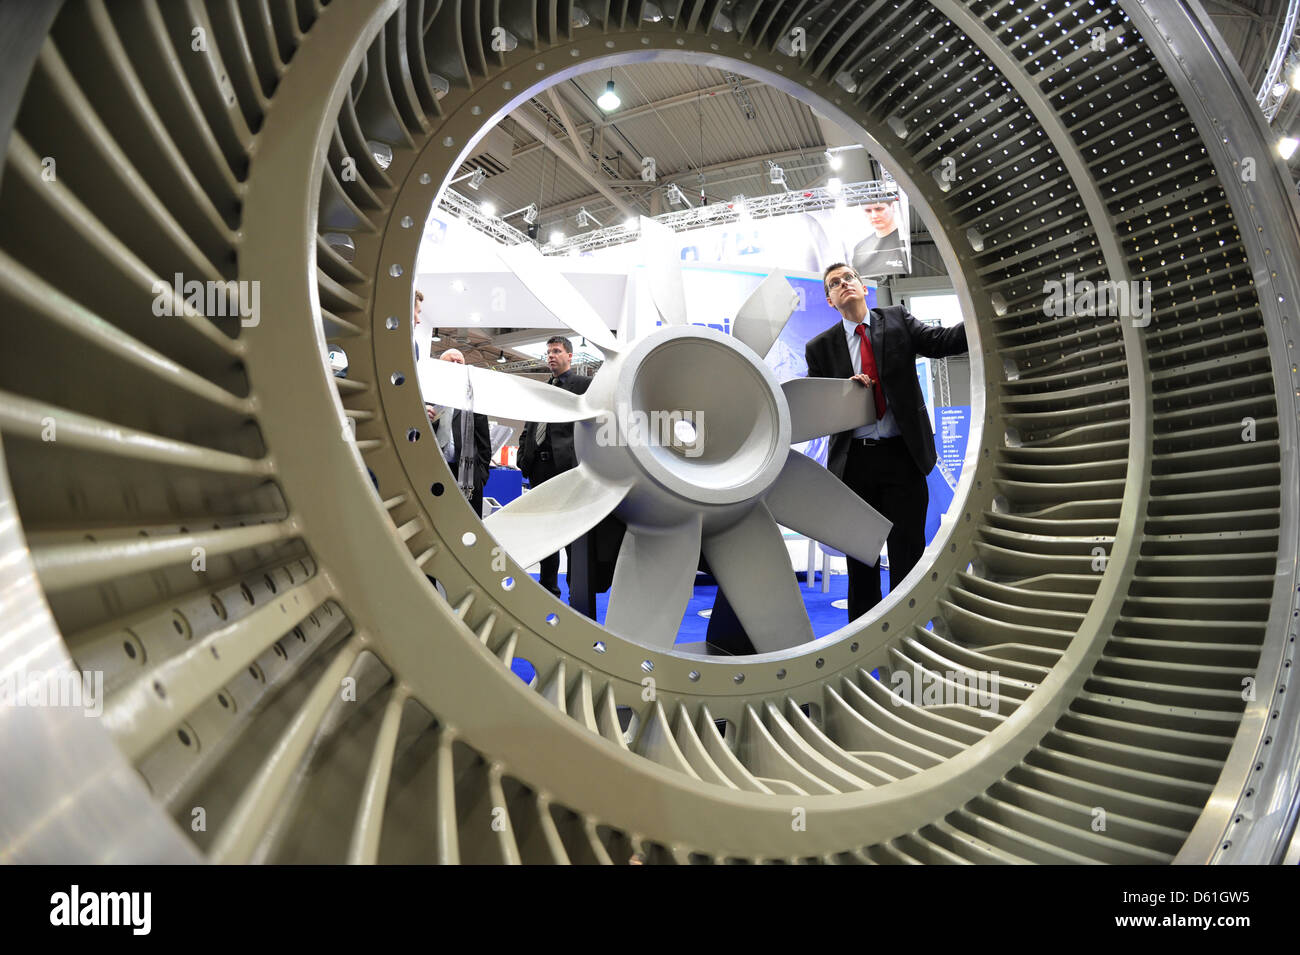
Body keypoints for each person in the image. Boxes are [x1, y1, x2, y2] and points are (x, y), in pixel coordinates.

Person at [806, 263, 967, 620]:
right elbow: (817, 410)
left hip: (903, 457)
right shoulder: (819, 348)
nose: (843, 284)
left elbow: (941, 343)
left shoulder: (896, 320)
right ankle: (862, 645)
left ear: (864, 288)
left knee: (907, 554)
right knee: (862, 560)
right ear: (830, 301)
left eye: (849, 278)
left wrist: (978, 320)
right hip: (855, 467)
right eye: (834, 284)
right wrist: (844, 394)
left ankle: (906, 636)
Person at [517, 336, 591, 599]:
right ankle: (548, 588)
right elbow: (531, 424)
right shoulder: (544, 387)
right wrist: (522, 453)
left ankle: (577, 590)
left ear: (570, 356)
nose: (551, 355)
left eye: (557, 351)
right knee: (545, 533)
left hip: (567, 471)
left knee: (571, 534)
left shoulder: (583, 386)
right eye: (548, 352)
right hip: (539, 468)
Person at [426, 348, 491, 516]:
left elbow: (484, 441)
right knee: (435, 516)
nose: (455, 365)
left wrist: (481, 475)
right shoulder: (425, 392)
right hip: (433, 468)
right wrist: (422, 414)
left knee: (465, 519)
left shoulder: (473, 397)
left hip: (466, 473)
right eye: (450, 361)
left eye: (459, 362)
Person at [850, 200, 908, 278]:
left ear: (893, 207)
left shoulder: (905, 241)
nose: (874, 215)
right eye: (868, 210)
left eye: (879, 209)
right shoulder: (860, 248)